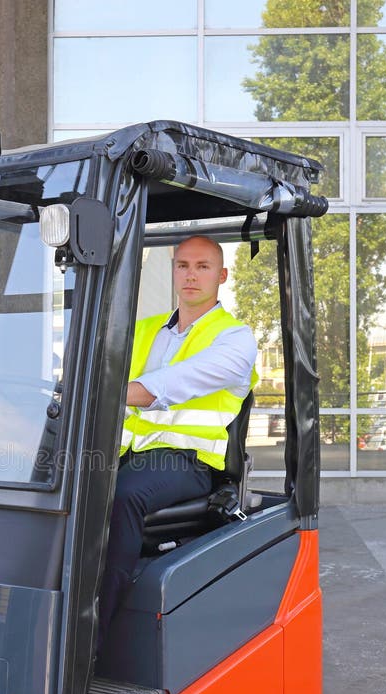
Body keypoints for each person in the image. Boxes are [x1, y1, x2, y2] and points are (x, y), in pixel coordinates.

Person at [97, 235, 258, 651]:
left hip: (190, 463)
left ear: (221, 276)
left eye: (202, 267)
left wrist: (99, 391)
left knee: (121, 498)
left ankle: (88, 637)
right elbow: (95, 367)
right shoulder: (146, 330)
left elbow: (170, 385)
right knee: (51, 482)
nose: (191, 275)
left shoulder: (235, 339)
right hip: (131, 455)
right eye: (183, 265)